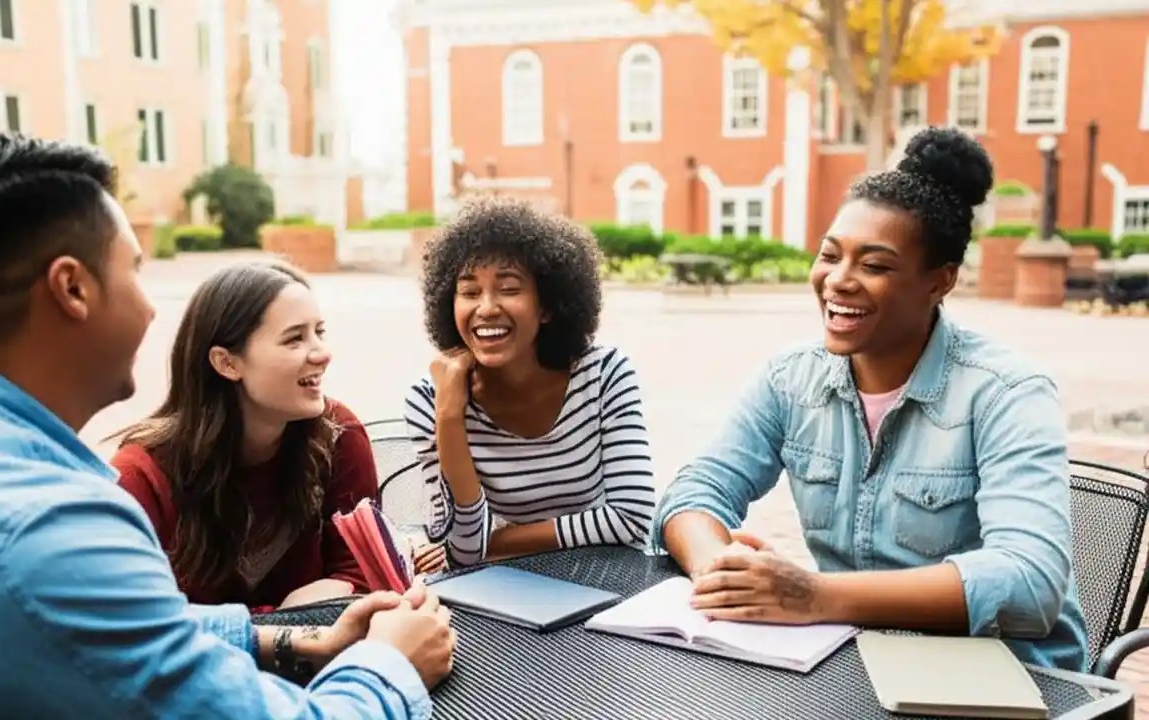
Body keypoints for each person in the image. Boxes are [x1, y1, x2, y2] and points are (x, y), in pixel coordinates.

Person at [0, 131, 455, 717]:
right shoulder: (50, 529)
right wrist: (391, 664)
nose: (151, 309)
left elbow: (140, 630)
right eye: (134, 271)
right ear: (73, 289)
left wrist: (298, 641)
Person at [652, 127, 1089, 671]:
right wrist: (721, 573)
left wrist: (815, 597)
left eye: (875, 266)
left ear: (940, 281)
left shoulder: (1007, 393)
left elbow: (1029, 582)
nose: (838, 281)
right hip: (856, 659)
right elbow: (696, 489)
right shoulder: (791, 378)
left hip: (1004, 672)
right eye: (829, 255)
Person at [111, 259, 387, 611]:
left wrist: (337, 589)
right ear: (227, 363)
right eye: (294, 339)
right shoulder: (142, 477)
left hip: (321, 663)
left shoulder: (338, 435)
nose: (322, 353)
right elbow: (133, 621)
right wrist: (286, 621)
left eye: (320, 332)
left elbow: (364, 566)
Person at [403, 197, 656, 569]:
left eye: (508, 289)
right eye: (470, 292)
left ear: (548, 306)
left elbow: (631, 517)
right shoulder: (430, 401)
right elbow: (466, 550)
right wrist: (450, 417)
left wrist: (501, 540)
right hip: (512, 587)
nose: (486, 307)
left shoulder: (603, 375)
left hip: (612, 574)